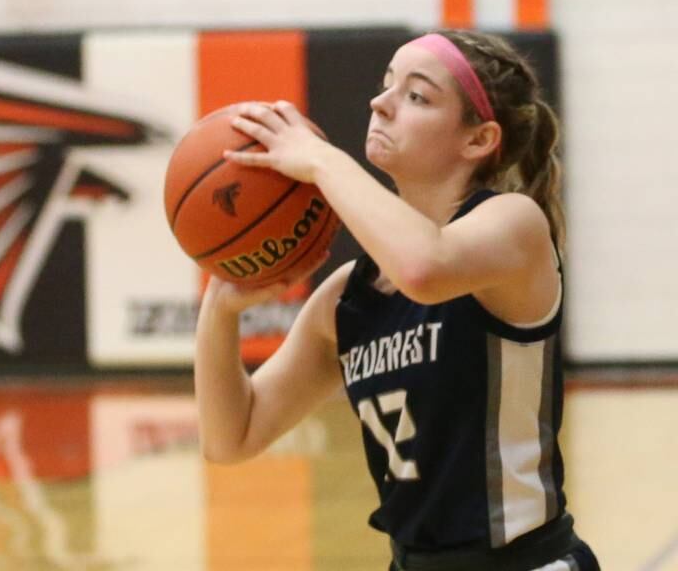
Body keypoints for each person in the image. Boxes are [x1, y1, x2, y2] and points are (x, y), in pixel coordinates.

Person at [194, 29, 601, 571]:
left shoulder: (514, 225)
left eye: (416, 95)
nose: (379, 103)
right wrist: (219, 307)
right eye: (386, 84)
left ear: (478, 140)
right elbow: (231, 436)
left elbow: (424, 268)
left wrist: (318, 160)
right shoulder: (346, 298)